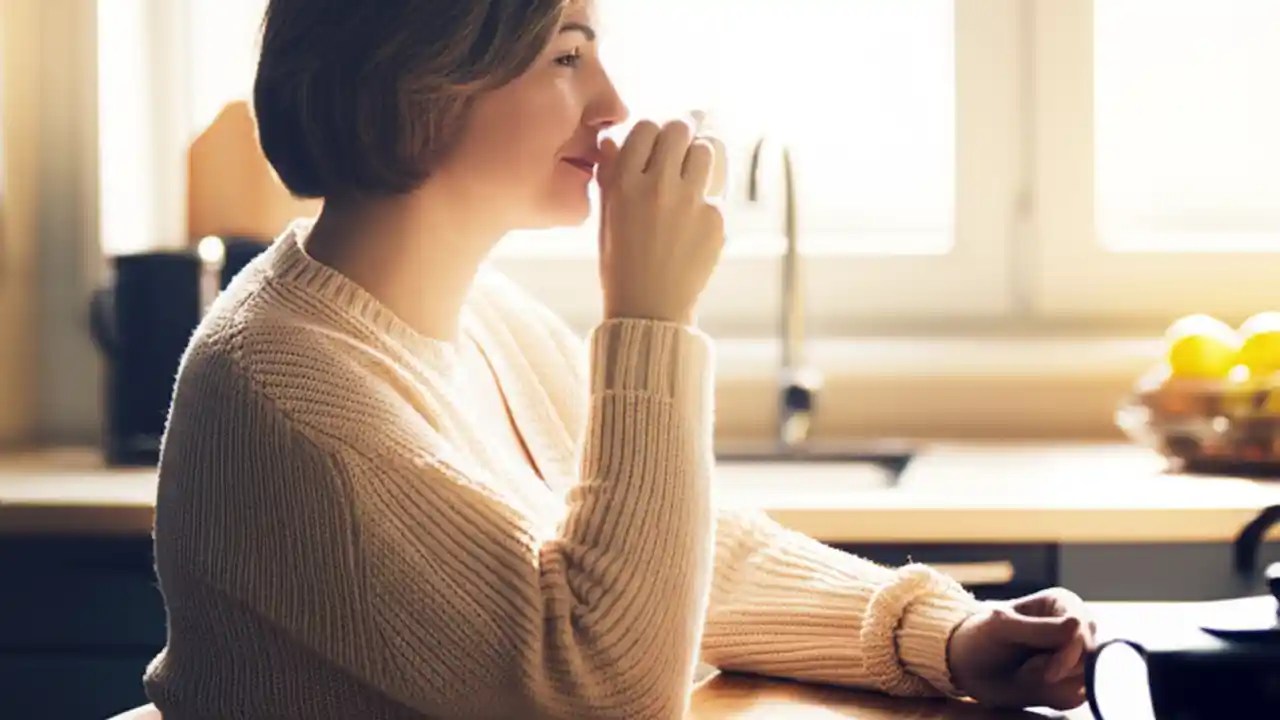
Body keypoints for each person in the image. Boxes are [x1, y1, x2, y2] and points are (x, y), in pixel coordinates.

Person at [143, 0, 1096, 717]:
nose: (612, 105)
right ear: (417, 82)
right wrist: (649, 316)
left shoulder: (488, 320)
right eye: (568, 55)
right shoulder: (282, 391)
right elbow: (607, 690)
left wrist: (944, 634)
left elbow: (676, 570)